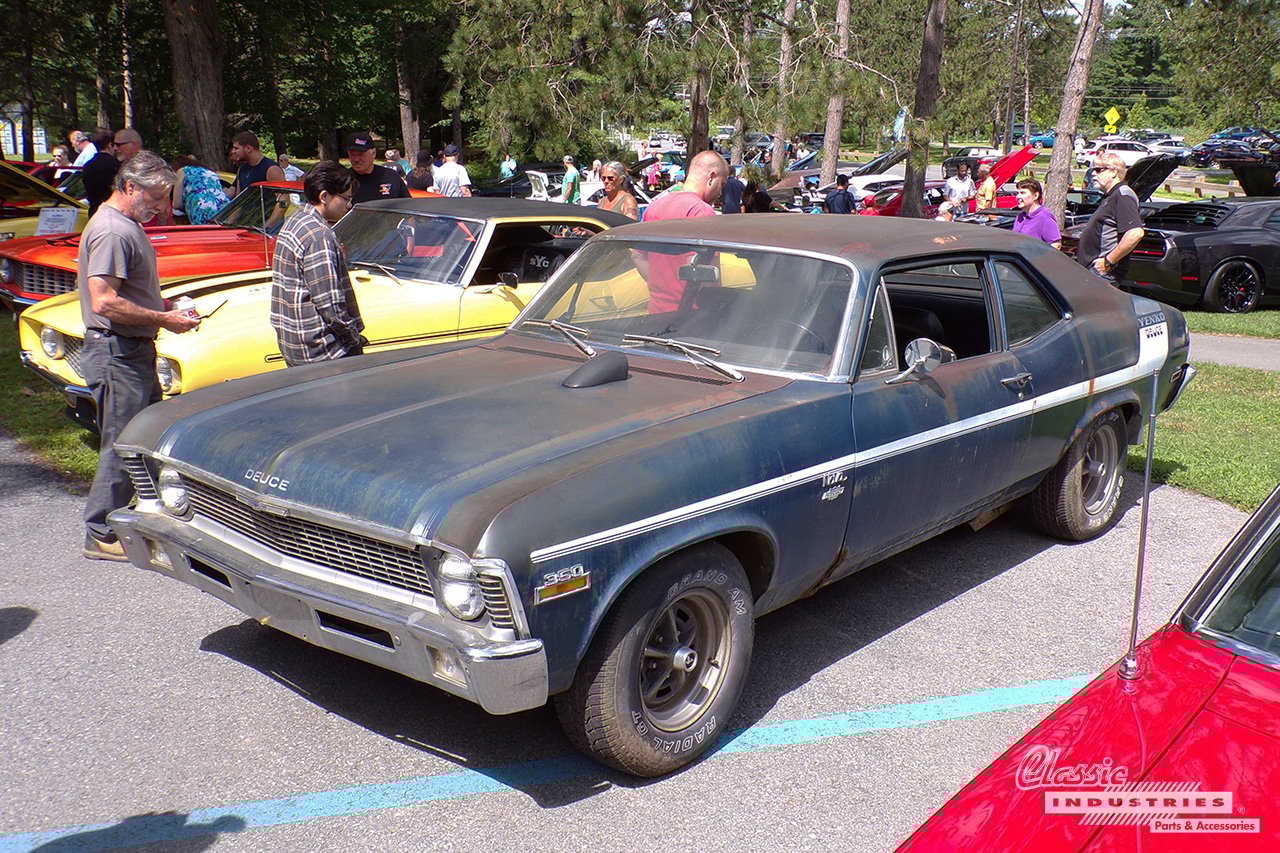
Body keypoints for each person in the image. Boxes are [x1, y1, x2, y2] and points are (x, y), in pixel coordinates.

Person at [78, 152, 201, 560]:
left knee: (144, 436)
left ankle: (141, 516)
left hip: (131, 349)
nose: (163, 206)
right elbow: (104, 302)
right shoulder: (114, 231)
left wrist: (162, 305)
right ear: (130, 187)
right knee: (123, 442)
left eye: (166, 197)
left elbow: (125, 294)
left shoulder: (125, 224)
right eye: (156, 195)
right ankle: (100, 531)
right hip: (117, 352)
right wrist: (164, 318)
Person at [270, 161, 365, 366]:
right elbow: (330, 303)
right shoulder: (319, 236)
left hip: (294, 343)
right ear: (324, 196)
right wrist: (353, 338)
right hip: (323, 351)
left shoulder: (294, 221)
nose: (348, 205)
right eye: (346, 199)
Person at [635, 150, 727, 311]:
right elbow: (706, 272)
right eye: (722, 184)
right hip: (689, 315)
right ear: (711, 177)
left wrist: (660, 286)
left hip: (656, 311)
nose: (720, 193)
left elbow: (637, 255)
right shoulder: (702, 212)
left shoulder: (655, 206)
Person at [1077, 152, 1144, 284]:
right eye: (1092, 170)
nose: (1093, 174)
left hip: (1102, 273)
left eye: (1098, 170)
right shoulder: (1110, 196)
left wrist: (1107, 261)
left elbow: (1135, 233)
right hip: (1092, 271)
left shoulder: (1123, 196)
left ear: (1113, 172)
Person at [344, 131, 409, 204]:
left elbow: (408, 206)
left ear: (373, 153)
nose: (356, 159)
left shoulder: (391, 177)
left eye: (361, 154)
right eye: (352, 154)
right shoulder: (343, 180)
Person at [170, 155, 230, 224]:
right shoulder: (209, 170)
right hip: (224, 207)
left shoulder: (182, 171)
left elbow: (176, 204)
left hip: (201, 209)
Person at [227, 131, 285, 198]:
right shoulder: (242, 169)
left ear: (248, 148)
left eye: (236, 148)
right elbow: (239, 198)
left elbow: (283, 201)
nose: (233, 151)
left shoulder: (271, 169)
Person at [1011, 178, 1061, 249]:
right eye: (1017, 193)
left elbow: (1056, 245)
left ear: (1035, 196)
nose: (1018, 196)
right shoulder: (1020, 216)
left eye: (1022, 193)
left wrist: (1039, 259)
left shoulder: (1045, 217)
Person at [81, 128, 120, 217]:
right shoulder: (115, 164)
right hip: (111, 212)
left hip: (93, 212)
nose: (116, 148)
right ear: (110, 145)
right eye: (115, 145)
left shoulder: (87, 165)